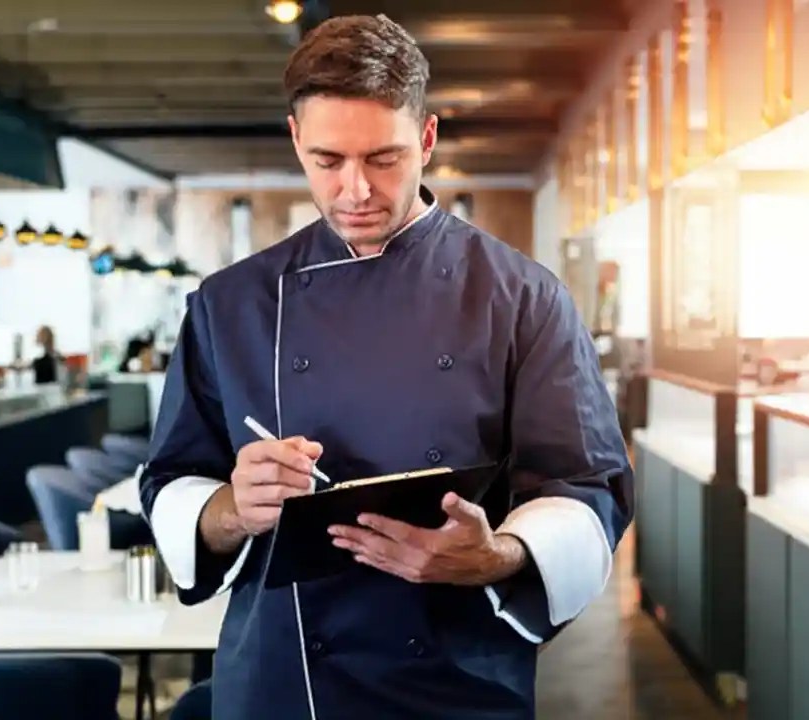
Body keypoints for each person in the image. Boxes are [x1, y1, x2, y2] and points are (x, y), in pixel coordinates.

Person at [140, 14, 633, 720]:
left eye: (383, 158)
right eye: (327, 160)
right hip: (283, 681)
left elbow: (588, 484)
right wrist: (230, 509)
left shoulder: (521, 297)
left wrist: (497, 555)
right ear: (295, 142)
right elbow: (172, 481)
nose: (355, 190)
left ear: (427, 138)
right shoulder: (230, 304)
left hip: (458, 677)